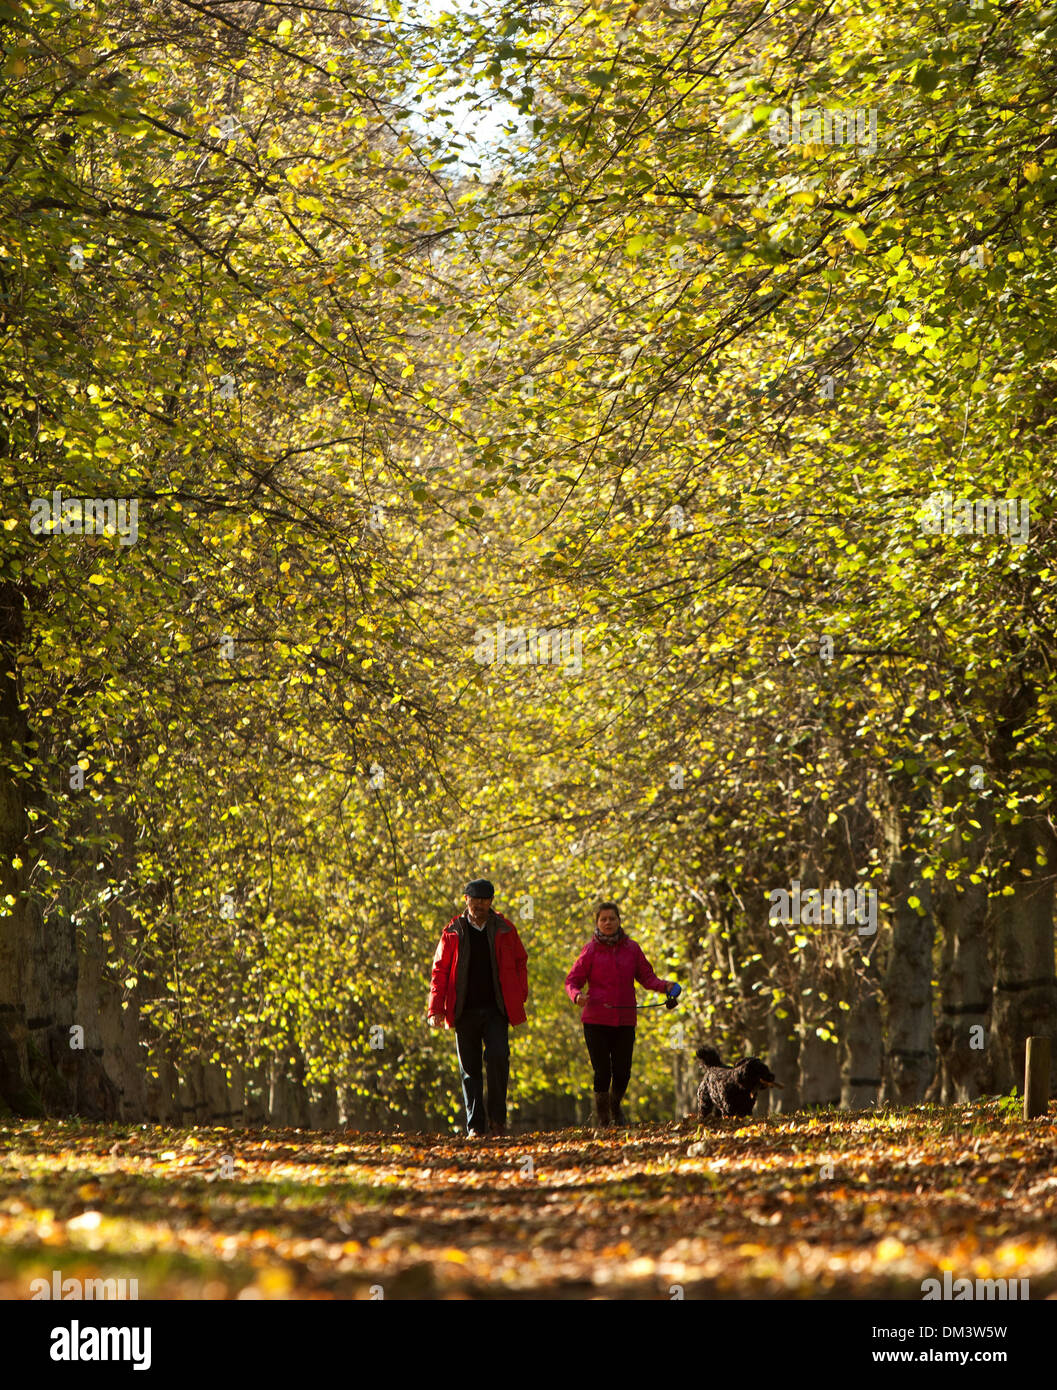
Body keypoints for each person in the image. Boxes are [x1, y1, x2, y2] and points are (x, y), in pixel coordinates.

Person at [427, 879, 529, 1138]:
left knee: (498, 1060)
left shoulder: (505, 929)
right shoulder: (453, 930)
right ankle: (475, 1125)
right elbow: (439, 970)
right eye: (475, 899)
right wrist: (435, 1008)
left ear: (491, 901)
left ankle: (497, 1121)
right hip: (464, 1010)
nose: (480, 904)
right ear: (466, 900)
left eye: (485, 899)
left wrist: (519, 995)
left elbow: (520, 962)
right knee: (470, 1070)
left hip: (496, 1009)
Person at [565, 902, 680, 1127]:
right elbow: (572, 981)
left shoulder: (632, 949)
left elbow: (647, 978)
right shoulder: (590, 950)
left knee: (622, 1072)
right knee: (602, 1072)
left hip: (625, 1021)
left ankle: (615, 1105)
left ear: (619, 921)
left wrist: (666, 986)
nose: (608, 922)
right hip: (595, 1020)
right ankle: (604, 1118)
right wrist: (577, 996)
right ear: (597, 923)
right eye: (603, 919)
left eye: (612, 918)